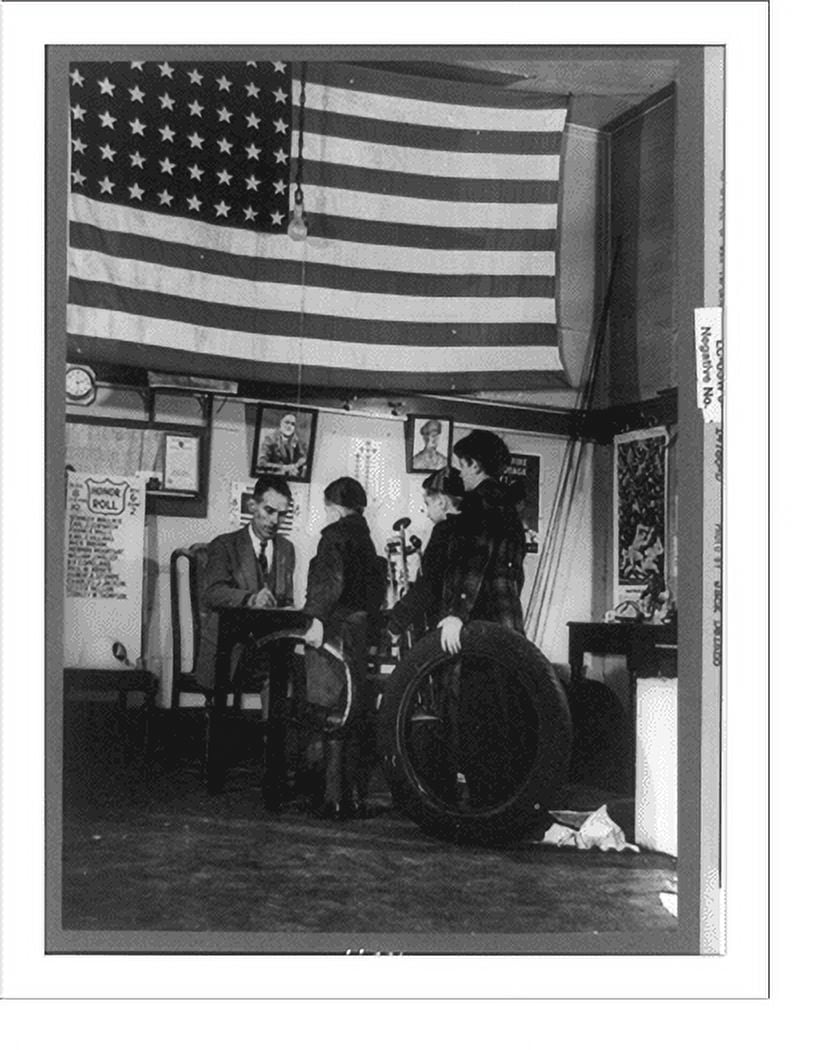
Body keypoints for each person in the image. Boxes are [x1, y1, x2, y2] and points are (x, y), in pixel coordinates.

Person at [437, 430, 528, 809]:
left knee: (475, 716)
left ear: (474, 464)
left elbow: (474, 562)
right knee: (502, 715)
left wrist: (456, 615)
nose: (459, 473)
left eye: (461, 465)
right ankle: (499, 803)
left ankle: (482, 807)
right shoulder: (509, 505)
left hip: (478, 627)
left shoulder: (477, 503)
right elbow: (515, 572)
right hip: (506, 623)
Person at [302, 477, 384, 818]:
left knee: (327, 709)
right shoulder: (366, 540)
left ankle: (329, 799)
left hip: (334, 629)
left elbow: (329, 582)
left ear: (334, 508)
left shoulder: (333, 537)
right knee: (351, 710)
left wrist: (315, 620)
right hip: (360, 631)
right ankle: (349, 797)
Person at [195, 476, 295, 704]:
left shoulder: (286, 550)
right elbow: (212, 593)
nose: (274, 520)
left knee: (289, 674)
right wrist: (250, 599)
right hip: (228, 651)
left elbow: (286, 599)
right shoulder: (224, 545)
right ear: (252, 506)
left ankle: (272, 738)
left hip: (267, 651)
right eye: (268, 511)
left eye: (282, 514)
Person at [387, 466, 464, 638]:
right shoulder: (474, 527)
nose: (427, 512)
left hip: (445, 622)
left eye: (427, 504)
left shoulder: (444, 531)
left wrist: (397, 621)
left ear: (442, 502)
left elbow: (429, 583)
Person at [259, 413, 308, 478]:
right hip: (273, 478)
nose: (289, 426)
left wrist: (296, 466)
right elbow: (262, 463)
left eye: (292, 424)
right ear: (280, 423)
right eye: (287, 422)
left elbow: (303, 458)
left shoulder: (298, 440)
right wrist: (284, 468)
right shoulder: (270, 439)